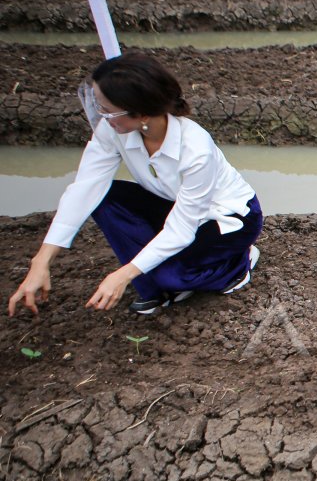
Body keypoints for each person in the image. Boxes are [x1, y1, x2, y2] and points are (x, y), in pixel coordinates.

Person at [7, 52, 262, 318]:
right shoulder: (113, 130)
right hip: (172, 204)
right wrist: (42, 260)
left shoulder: (196, 149)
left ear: (141, 113)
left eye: (107, 110)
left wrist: (123, 274)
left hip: (226, 218)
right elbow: (84, 189)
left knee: (171, 276)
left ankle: (236, 265)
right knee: (104, 197)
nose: (102, 116)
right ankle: (159, 288)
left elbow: (181, 229)